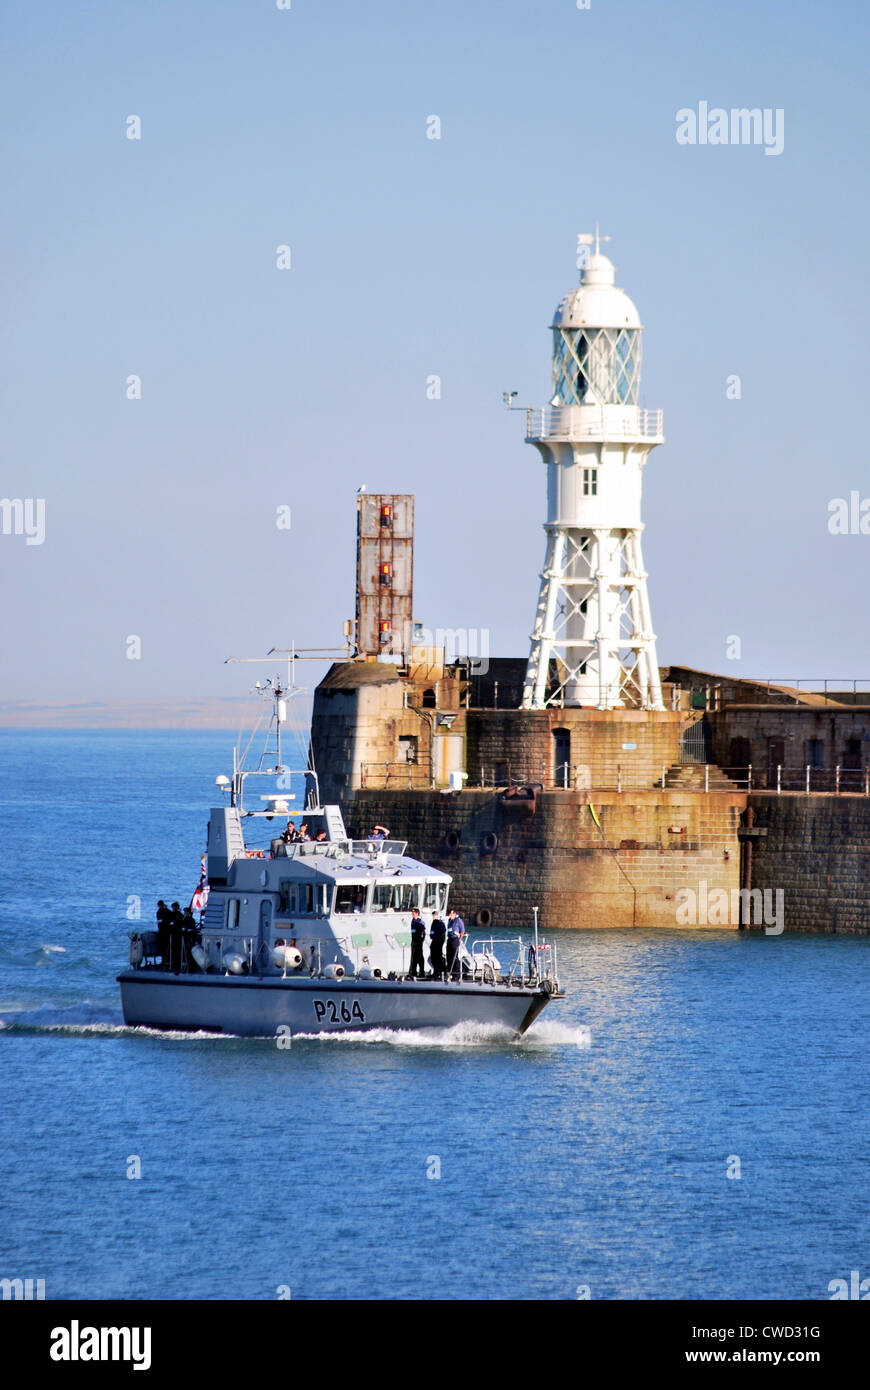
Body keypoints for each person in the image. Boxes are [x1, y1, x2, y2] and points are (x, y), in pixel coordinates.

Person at [446, 909, 465, 979]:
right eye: (449, 914)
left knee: (455, 957)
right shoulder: (449, 921)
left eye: (451, 914)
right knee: (449, 957)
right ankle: (450, 973)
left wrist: (459, 939)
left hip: (455, 940)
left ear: (454, 914)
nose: (450, 915)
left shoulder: (458, 920)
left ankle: (457, 974)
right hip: (449, 939)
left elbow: (462, 931)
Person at [409, 907, 426, 980]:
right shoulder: (413, 921)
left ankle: (421, 972)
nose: (412, 914)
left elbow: (423, 933)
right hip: (413, 942)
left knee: (420, 957)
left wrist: (421, 941)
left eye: (414, 912)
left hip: (418, 942)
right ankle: (413, 972)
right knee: (413, 957)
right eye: (412, 912)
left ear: (417, 913)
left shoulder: (420, 922)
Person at [429, 912, 447, 980]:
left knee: (438, 957)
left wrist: (440, 943)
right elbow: (432, 933)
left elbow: (443, 934)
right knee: (433, 958)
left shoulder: (440, 923)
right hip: (434, 941)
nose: (433, 916)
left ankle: (440, 971)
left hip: (438, 942)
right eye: (433, 915)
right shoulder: (433, 923)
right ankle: (436, 972)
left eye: (434, 915)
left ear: (437, 916)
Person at [168, 902, 185, 973]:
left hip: (178, 935)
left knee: (178, 950)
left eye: (174, 907)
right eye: (173, 907)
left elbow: (180, 924)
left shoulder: (180, 915)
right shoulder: (171, 914)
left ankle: (177, 964)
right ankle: (172, 963)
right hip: (173, 935)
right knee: (172, 950)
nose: (173, 908)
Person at [156, 900, 171, 967]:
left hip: (166, 931)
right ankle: (164, 960)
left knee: (165, 947)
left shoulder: (165, 911)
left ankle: (166, 960)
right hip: (162, 931)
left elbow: (170, 916)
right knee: (162, 947)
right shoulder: (159, 912)